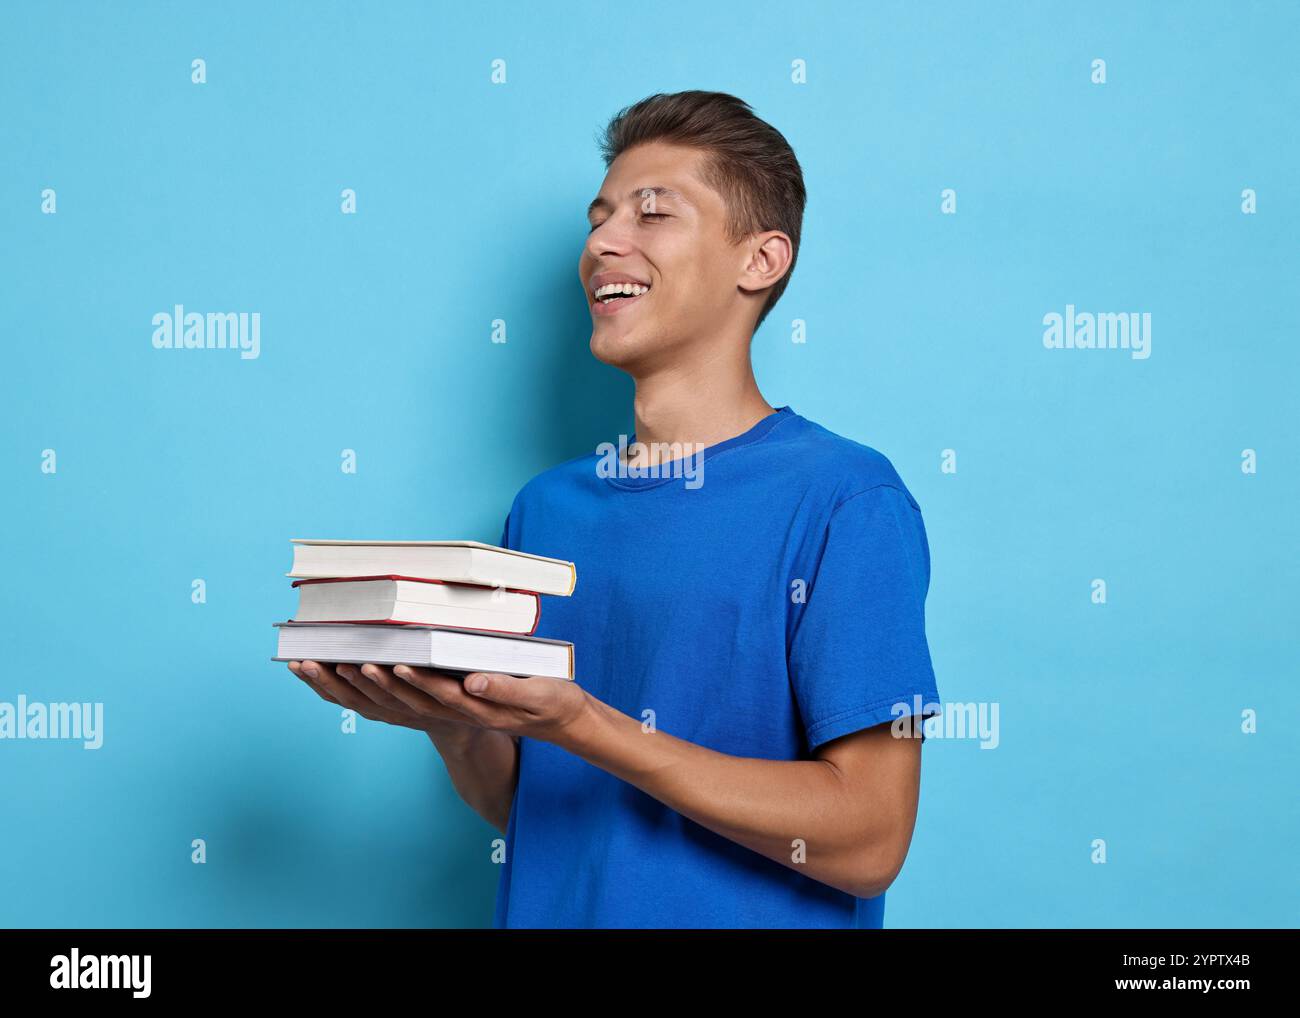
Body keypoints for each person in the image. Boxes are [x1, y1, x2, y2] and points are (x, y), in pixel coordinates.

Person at [288, 90, 941, 928]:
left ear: (761, 260)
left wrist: (588, 724)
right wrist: (448, 723)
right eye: (598, 217)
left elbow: (871, 839)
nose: (603, 242)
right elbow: (536, 810)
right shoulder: (545, 509)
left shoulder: (847, 499)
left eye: (653, 212)